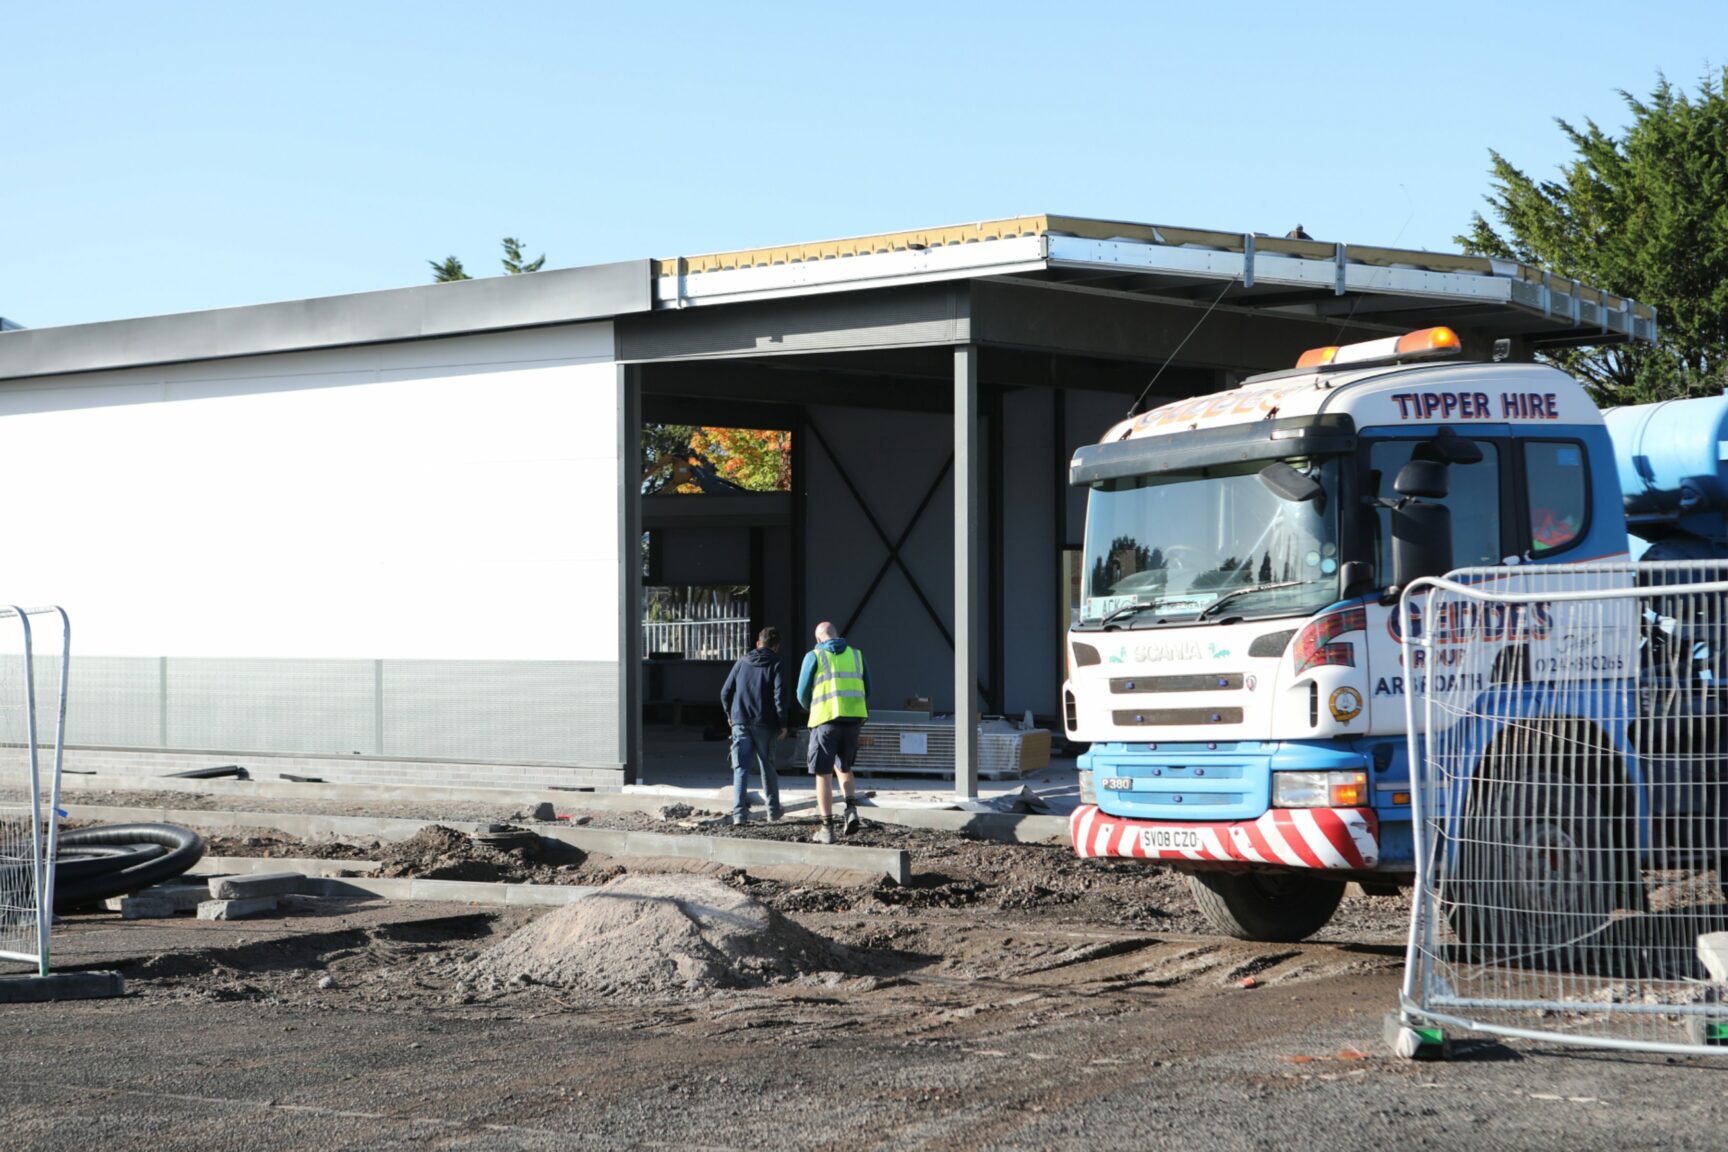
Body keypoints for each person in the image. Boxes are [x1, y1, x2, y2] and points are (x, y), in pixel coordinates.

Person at [796, 620, 870, 844]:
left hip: (826, 721)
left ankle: (827, 828)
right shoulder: (857, 655)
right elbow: (868, 688)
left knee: (823, 774)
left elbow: (801, 693)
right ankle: (851, 810)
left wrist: (813, 707)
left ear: (818, 639)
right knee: (844, 767)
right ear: (837, 636)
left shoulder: (814, 656)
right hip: (853, 720)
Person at [720, 627, 788, 826]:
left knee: (740, 768)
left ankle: (739, 814)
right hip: (765, 724)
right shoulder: (777, 663)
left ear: (758, 643)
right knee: (767, 766)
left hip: (740, 721)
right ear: (776, 646)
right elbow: (780, 696)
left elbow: (725, 692)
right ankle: (773, 811)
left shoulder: (742, 662)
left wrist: (729, 715)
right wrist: (783, 723)